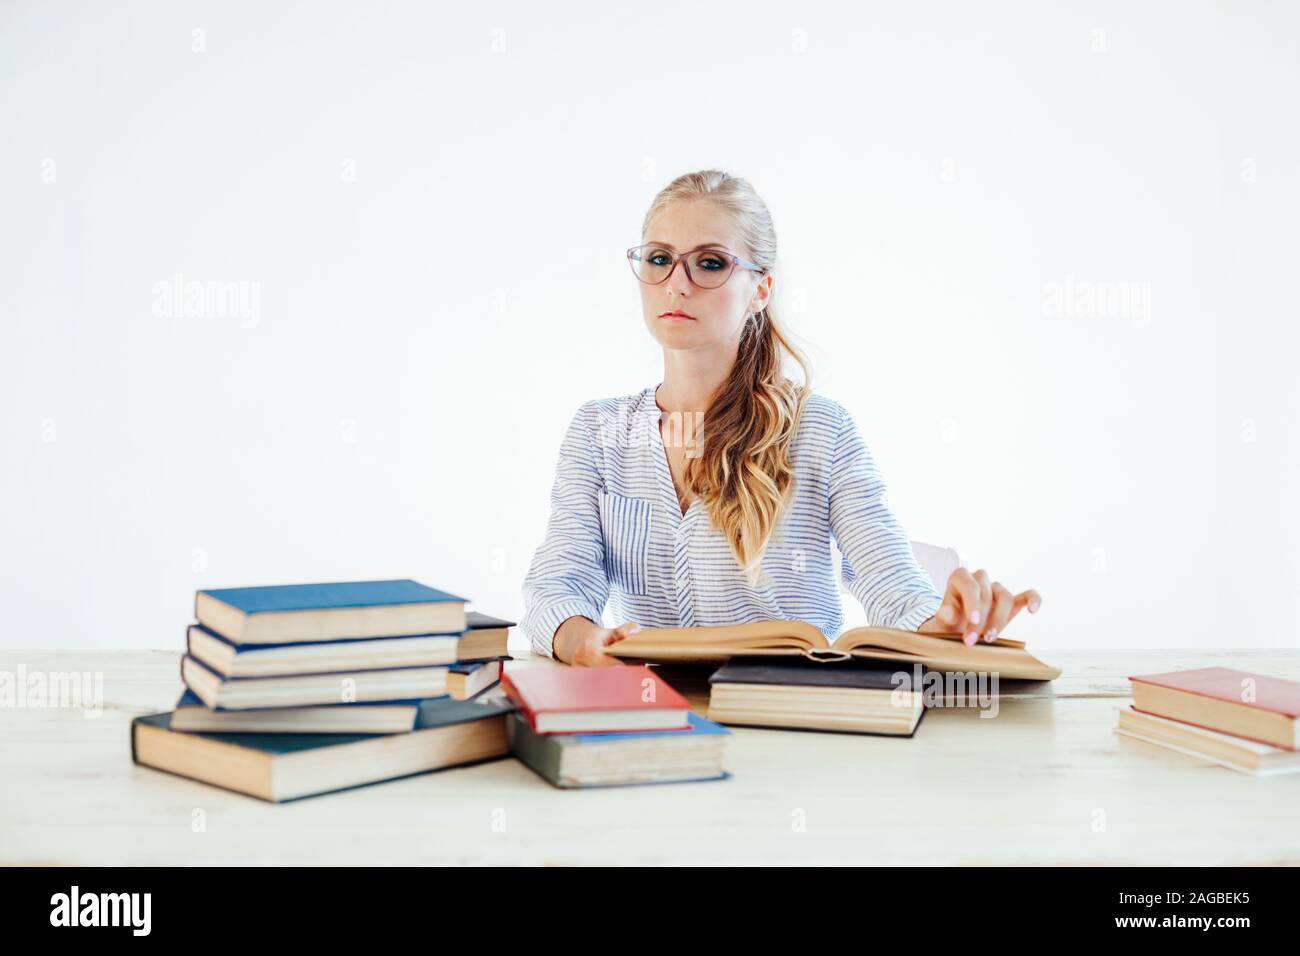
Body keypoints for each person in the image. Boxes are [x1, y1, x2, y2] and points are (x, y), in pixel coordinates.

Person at [522, 169, 1040, 666]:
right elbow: (557, 587)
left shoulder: (822, 429)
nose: (676, 284)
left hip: (788, 715)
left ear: (761, 289)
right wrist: (586, 643)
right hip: (657, 720)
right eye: (660, 259)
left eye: (709, 263)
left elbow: (895, 589)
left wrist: (947, 625)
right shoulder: (598, 431)